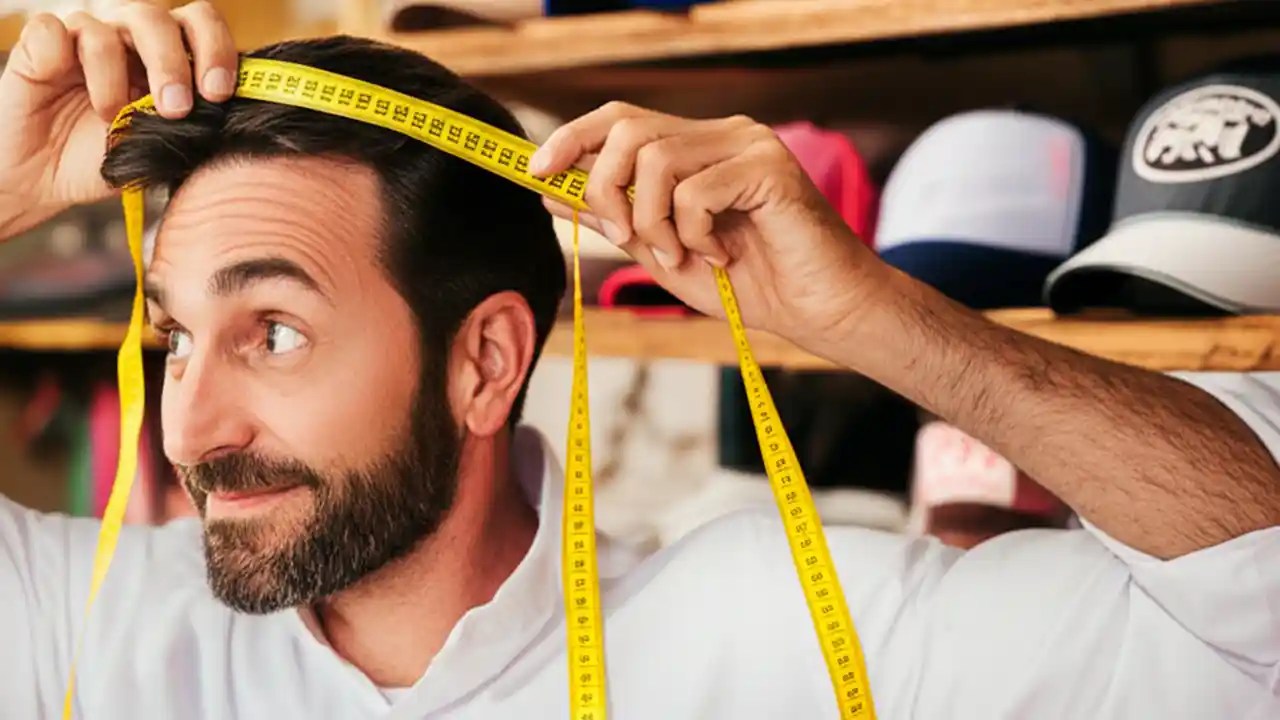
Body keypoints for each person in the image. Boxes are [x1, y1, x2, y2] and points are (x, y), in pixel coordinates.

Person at [0, 3, 1276, 719]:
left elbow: (1251, 637)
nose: (186, 426)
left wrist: (879, 322)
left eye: (271, 331)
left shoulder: (772, 631)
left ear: (486, 362)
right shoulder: (94, 624)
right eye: (170, 337)